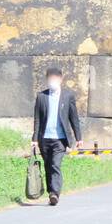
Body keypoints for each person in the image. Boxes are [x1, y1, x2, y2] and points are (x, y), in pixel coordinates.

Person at [32, 66, 82, 205]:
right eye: (50, 79)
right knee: (48, 166)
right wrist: (35, 139)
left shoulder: (68, 96)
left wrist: (78, 138)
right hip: (44, 138)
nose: (52, 81)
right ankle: (51, 193)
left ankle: (55, 193)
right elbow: (37, 119)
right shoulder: (41, 96)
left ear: (61, 79)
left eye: (55, 79)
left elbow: (74, 117)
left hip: (60, 139)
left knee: (55, 164)